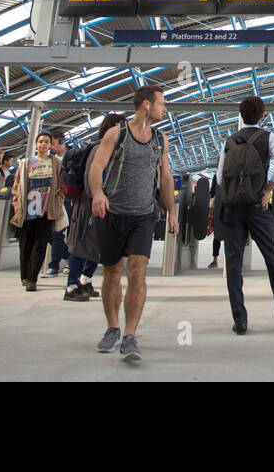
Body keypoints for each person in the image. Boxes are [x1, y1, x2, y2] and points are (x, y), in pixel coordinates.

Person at [87, 86, 176, 361]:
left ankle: (130, 334)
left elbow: (165, 178)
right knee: (112, 272)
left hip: (144, 215)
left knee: (137, 272)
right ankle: (112, 327)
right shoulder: (117, 134)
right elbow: (97, 167)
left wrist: (172, 211)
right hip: (113, 214)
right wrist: (99, 193)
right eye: (162, 104)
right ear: (146, 105)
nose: (165, 109)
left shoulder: (161, 140)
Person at [214, 95, 274, 334]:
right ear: (262, 115)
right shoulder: (268, 137)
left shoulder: (229, 142)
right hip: (257, 207)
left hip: (232, 209)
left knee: (233, 262)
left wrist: (234, 193)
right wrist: (266, 191)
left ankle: (240, 320)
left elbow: (220, 177)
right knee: (273, 258)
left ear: (241, 115)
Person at [64, 115, 123, 302]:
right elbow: (93, 176)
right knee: (82, 244)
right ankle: (72, 285)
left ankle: (85, 280)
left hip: (104, 204)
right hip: (90, 204)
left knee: (98, 246)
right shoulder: (99, 149)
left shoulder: (114, 150)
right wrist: (96, 197)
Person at [10, 134, 64, 291]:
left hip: (47, 210)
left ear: (50, 146)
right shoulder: (26, 163)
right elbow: (16, 186)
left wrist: (59, 201)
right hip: (28, 209)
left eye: (46, 142)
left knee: (41, 243)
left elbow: (62, 183)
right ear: (35, 144)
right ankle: (24, 276)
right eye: (41, 142)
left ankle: (32, 278)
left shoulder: (56, 163)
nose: (43, 144)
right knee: (25, 244)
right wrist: (16, 204)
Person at [45, 129, 71, 278]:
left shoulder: (73, 156)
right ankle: (68, 256)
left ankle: (54, 265)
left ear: (62, 142)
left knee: (58, 232)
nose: (50, 147)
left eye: (52, 144)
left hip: (67, 198)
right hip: (51, 198)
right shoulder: (48, 160)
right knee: (50, 232)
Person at [207, 174, 222, 269]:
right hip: (231, 205)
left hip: (218, 206)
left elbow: (212, 193)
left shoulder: (217, 175)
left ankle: (215, 260)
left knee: (217, 235)